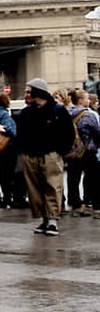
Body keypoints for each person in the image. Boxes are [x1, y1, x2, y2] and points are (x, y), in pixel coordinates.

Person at [16, 78, 75, 236]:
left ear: (38, 92)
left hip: (51, 154)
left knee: (53, 185)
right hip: (30, 155)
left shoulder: (58, 110)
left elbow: (69, 133)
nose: (26, 94)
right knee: (34, 189)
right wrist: (23, 150)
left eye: (29, 91)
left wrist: (60, 151)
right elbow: (20, 133)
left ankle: (53, 220)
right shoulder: (26, 112)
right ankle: (44, 218)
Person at [65, 89, 100, 218]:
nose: (89, 101)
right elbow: (97, 131)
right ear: (80, 101)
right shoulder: (88, 115)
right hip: (87, 150)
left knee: (73, 179)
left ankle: (76, 206)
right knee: (94, 179)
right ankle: (97, 208)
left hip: (72, 152)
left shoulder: (67, 113)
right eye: (86, 98)